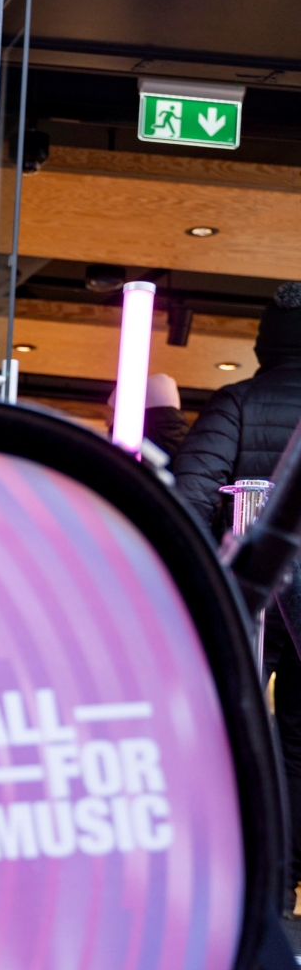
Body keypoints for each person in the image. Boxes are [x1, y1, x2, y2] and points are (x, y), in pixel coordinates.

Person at [173, 282, 301, 909]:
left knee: (232, 729)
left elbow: (192, 496)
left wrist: (202, 583)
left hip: (250, 597)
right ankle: (286, 885)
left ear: (264, 341)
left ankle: (233, 876)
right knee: (300, 747)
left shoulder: (239, 402)